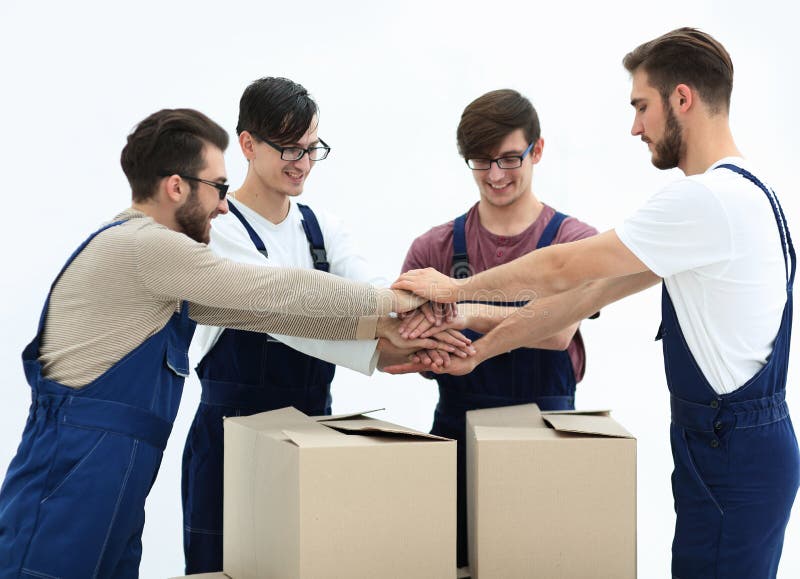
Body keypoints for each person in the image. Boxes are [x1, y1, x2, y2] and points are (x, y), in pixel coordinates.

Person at [392, 28, 799, 578]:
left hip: (731, 450)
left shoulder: (705, 200)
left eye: (641, 106)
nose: (636, 126)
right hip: (736, 445)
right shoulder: (750, 193)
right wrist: (480, 351)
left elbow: (563, 267)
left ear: (682, 99)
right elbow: (584, 296)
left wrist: (455, 289)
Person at [0, 107, 440, 579]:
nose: (225, 205)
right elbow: (275, 290)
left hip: (114, 480)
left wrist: (384, 333)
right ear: (176, 187)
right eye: (219, 188)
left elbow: (263, 315)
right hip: (71, 475)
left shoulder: (158, 270)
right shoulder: (147, 247)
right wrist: (394, 301)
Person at [181, 77, 473, 573]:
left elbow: (370, 287)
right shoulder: (218, 226)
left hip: (315, 435)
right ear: (248, 144)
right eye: (289, 148)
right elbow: (282, 311)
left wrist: (417, 322)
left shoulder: (323, 227)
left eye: (312, 148)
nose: (302, 162)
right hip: (232, 445)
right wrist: (383, 339)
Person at [396, 88, 598, 567]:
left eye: (510, 159)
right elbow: (404, 340)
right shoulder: (433, 250)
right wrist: (420, 346)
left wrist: (462, 308)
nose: (496, 176)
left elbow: (556, 332)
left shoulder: (575, 243)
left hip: (547, 437)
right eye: (481, 162)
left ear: (539, 150)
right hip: (455, 440)